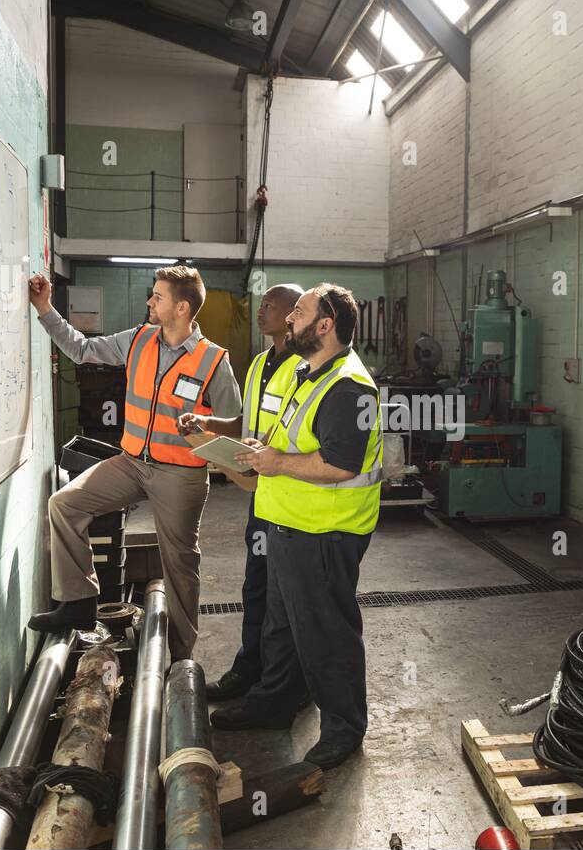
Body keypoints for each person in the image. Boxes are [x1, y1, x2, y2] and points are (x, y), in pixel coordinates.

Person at [26, 267, 242, 661]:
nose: (149, 302)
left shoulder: (212, 360)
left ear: (181, 307)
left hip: (180, 474)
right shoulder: (140, 339)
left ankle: (177, 659)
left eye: (157, 297)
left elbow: (235, 422)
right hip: (131, 463)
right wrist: (45, 309)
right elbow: (81, 349)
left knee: (179, 563)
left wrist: (209, 435)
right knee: (65, 504)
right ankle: (78, 601)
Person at [211, 283, 383, 770]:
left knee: (327, 633)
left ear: (324, 325)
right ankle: (273, 703)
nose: (289, 319)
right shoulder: (305, 373)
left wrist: (278, 463)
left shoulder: (350, 385)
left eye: (299, 313)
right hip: (286, 525)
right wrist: (255, 450)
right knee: (282, 625)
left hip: (326, 532)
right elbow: (285, 437)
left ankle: (344, 728)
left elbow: (342, 464)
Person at [197, 283, 303, 700]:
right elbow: (247, 422)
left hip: (290, 498)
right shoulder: (260, 362)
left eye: (272, 306)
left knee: (284, 595)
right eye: (262, 305)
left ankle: (284, 681)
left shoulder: (306, 367)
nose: (262, 312)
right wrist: (207, 426)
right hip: (260, 493)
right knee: (256, 583)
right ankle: (249, 668)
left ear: (295, 314)